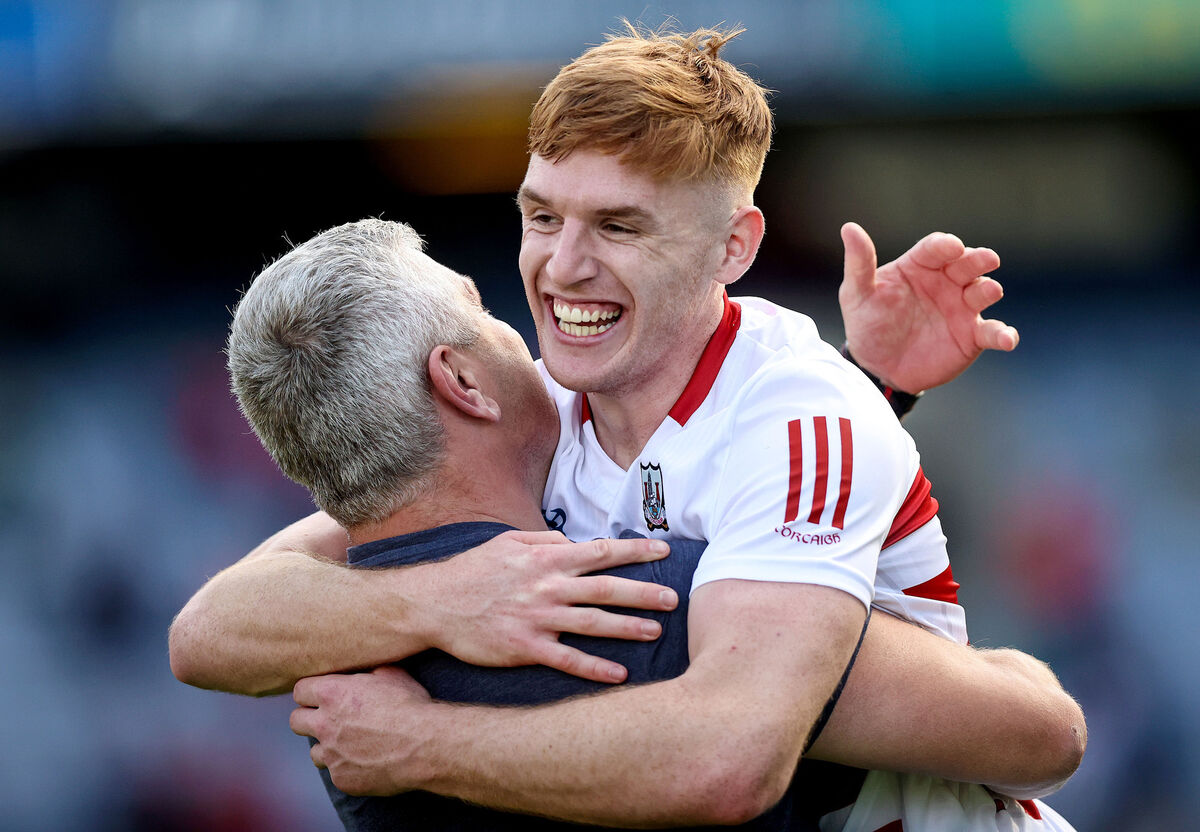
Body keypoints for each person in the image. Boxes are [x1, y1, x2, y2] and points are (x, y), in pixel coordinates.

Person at [171, 24, 1083, 831]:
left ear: (734, 246)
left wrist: (421, 743)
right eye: (540, 216)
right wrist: (442, 599)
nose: (563, 269)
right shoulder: (540, 408)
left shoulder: (802, 416)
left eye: (617, 226)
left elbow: (732, 760)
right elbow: (210, 627)